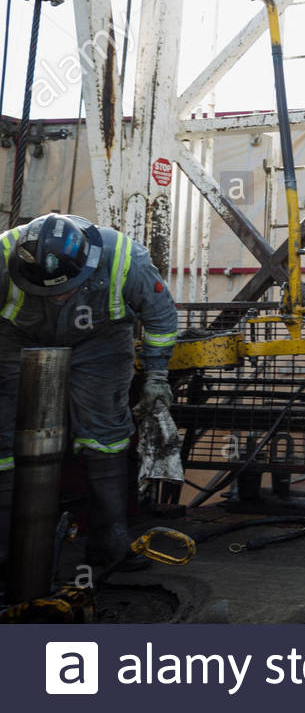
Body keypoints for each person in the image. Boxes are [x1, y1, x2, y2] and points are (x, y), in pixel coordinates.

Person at [0, 214, 177, 574]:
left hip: (99, 341)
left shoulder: (127, 259)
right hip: (16, 339)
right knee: (3, 437)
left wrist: (157, 376)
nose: (57, 298)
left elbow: (160, 316)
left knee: (105, 436)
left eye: (65, 288)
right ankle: (5, 547)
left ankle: (109, 542)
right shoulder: (2, 253)